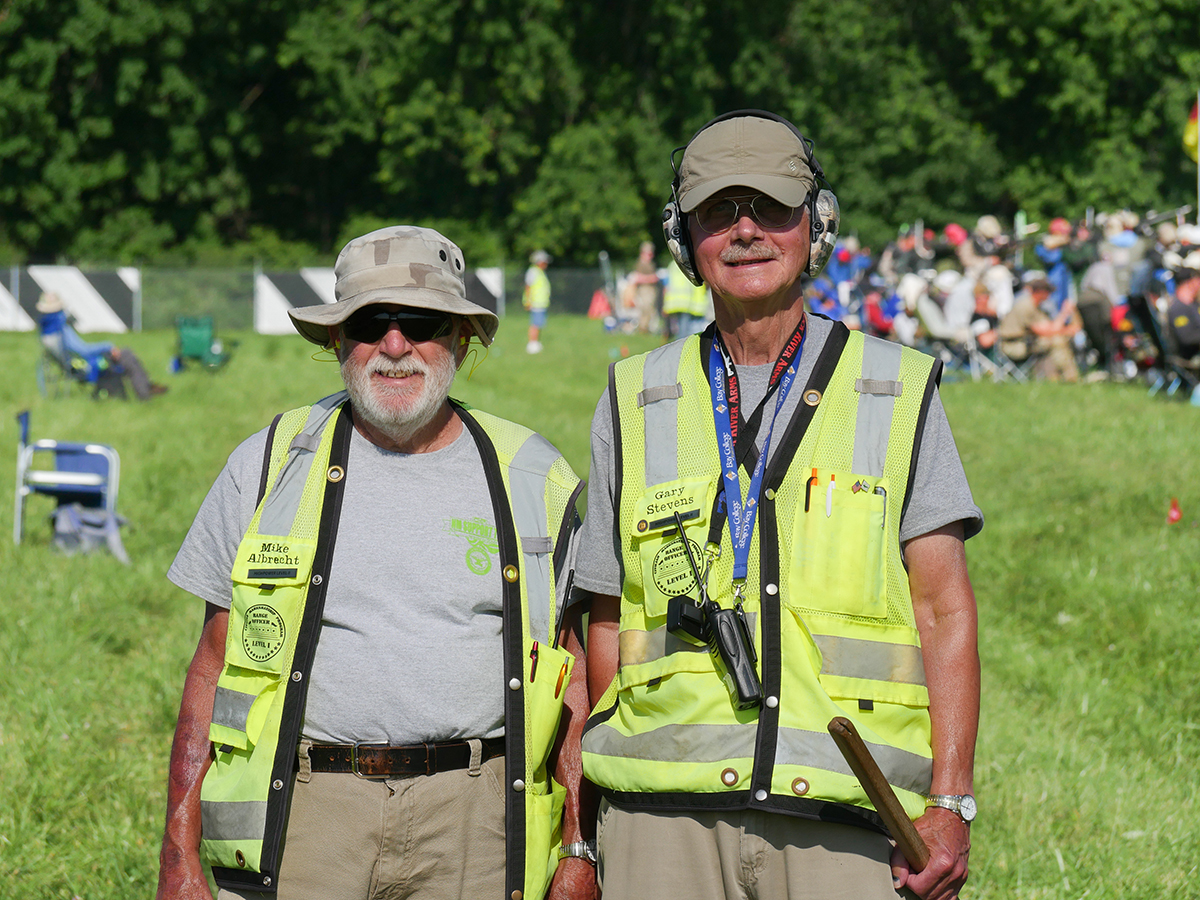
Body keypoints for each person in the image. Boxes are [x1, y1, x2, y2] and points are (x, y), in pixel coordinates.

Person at [576, 111, 982, 900]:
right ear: (682, 239)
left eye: (771, 207)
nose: (746, 231)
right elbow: (601, 618)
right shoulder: (633, 396)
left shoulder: (896, 389)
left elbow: (944, 608)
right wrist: (587, 834)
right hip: (661, 825)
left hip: (850, 821)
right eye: (718, 212)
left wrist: (950, 799)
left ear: (816, 225)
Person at [156, 226, 595, 900]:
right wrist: (178, 855)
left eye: (421, 322)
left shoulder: (536, 475)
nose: (395, 346)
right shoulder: (268, 465)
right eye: (369, 323)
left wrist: (578, 846)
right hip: (306, 815)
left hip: (477, 822)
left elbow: (573, 680)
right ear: (336, 339)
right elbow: (211, 664)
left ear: (461, 338)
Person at [36, 292, 166, 399]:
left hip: (73, 364)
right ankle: (145, 393)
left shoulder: (47, 331)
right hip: (86, 366)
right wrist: (108, 346)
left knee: (126, 355)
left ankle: (145, 388)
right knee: (126, 355)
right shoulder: (62, 330)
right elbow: (83, 350)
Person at [997, 277, 1079, 381]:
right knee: (1057, 341)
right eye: (1048, 292)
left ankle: (1055, 377)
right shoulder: (1026, 306)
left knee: (1058, 339)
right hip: (1013, 345)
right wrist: (1066, 330)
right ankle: (1069, 378)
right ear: (1041, 292)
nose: (1049, 295)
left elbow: (1051, 327)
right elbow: (1044, 332)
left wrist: (1065, 313)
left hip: (1026, 342)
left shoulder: (1036, 306)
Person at [662, 258, 710, 341]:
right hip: (688, 304)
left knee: (681, 331)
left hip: (675, 303)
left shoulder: (673, 264)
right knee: (685, 334)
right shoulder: (691, 264)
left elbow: (666, 285)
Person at [1167, 267, 1200, 359]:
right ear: (1191, 282)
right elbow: (1187, 337)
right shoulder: (1178, 308)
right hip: (1190, 358)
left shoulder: (1194, 304)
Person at [524, 249, 552, 353]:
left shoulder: (539, 272)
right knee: (535, 324)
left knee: (539, 323)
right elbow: (528, 287)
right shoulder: (533, 271)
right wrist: (528, 301)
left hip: (541, 303)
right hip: (535, 303)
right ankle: (532, 344)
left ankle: (536, 342)